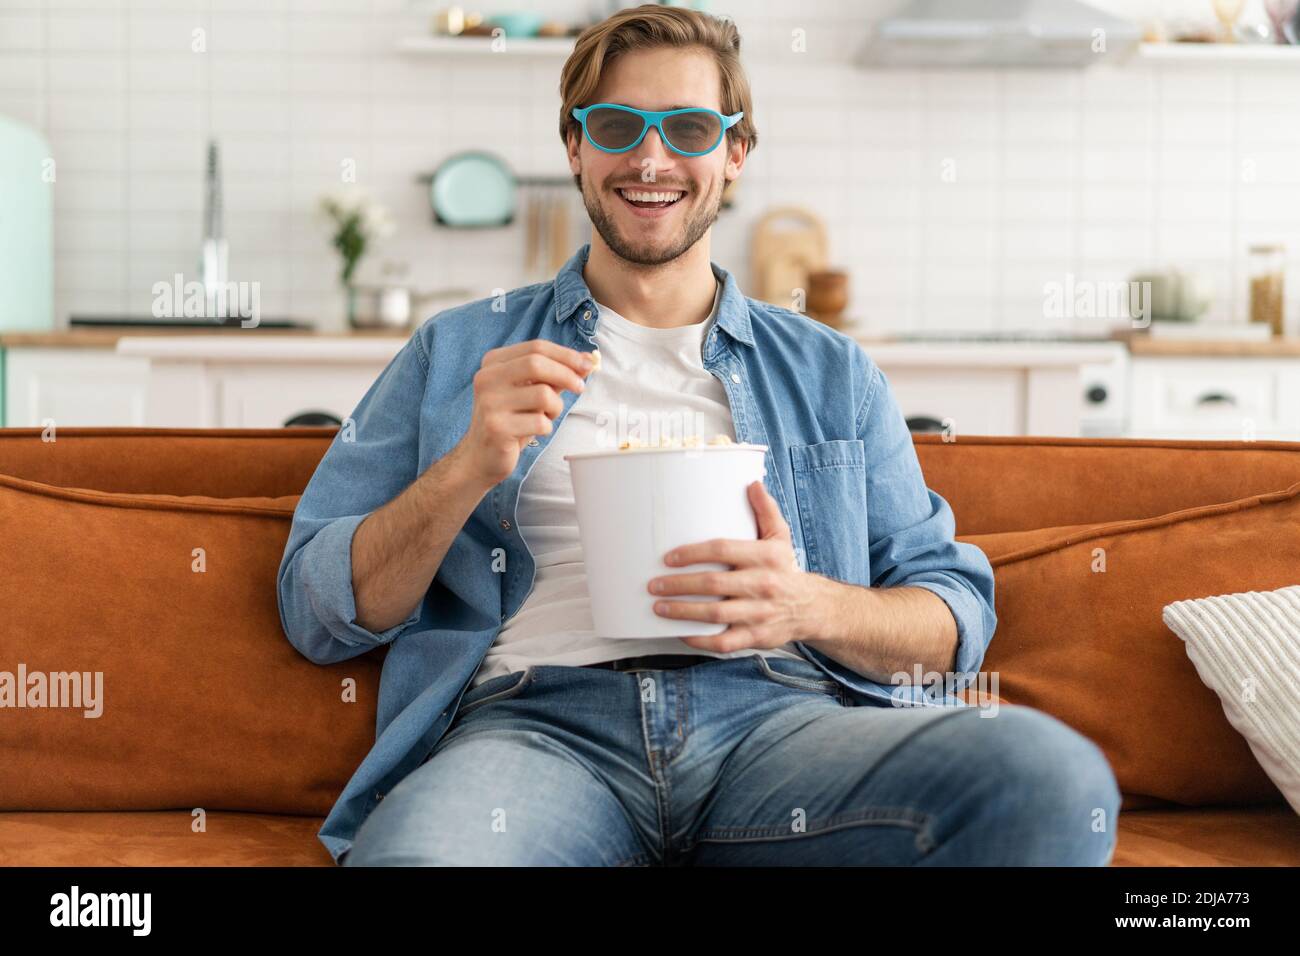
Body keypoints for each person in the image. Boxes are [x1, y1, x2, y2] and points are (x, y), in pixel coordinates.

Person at [278, 4, 1120, 866]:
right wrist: (464, 471)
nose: (650, 158)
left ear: (734, 153)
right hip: (535, 734)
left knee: (1047, 775)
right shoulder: (457, 351)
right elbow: (316, 611)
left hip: (780, 725)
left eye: (686, 127)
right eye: (616, 126)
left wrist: (805, 603)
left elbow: (954, 618)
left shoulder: (832, 372)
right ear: (575, 148)